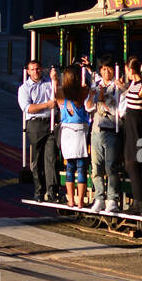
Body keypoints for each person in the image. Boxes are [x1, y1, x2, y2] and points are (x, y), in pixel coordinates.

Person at [53, 65, 96, 207]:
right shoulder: (82, 92)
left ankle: (71, 200)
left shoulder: (60, 93)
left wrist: (54, 81)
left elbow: (56, 96)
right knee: (81, 167)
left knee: (70, 167)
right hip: (81, 132)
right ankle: (81, 201)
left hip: (67, 132)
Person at [18, 60, 59, 201]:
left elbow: (57, 97)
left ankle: (52, 191)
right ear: (28, 72)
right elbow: (28, 108)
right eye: (33, 69)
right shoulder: (24, 88)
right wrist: (46, 104)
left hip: (50, 122)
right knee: (37, 159)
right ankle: (38, 191)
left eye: (38, 69)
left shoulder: (48, 82)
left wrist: (55, 80)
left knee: (51, 157)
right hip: (35, 124)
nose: (36, 71)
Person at [119, 57, 142, 214]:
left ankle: (139, 203)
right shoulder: (132, 84)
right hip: (130, 128)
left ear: (130, 70)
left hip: (138, 130)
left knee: (133, 164)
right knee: (133, 164)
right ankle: (138, 201)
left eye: (126, 70)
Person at [89, 57, 122, 214]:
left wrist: (105, 103)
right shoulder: (96, 86)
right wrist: (91, 96)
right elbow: (88, 107)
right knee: (96, 166)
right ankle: (99, 197)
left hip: (111, 130)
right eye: (103, 69)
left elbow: (119, 112)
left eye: (109, 69)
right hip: (96, 130)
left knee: (111, 166)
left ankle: (112, 199)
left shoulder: (117, 87)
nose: (106, 72)